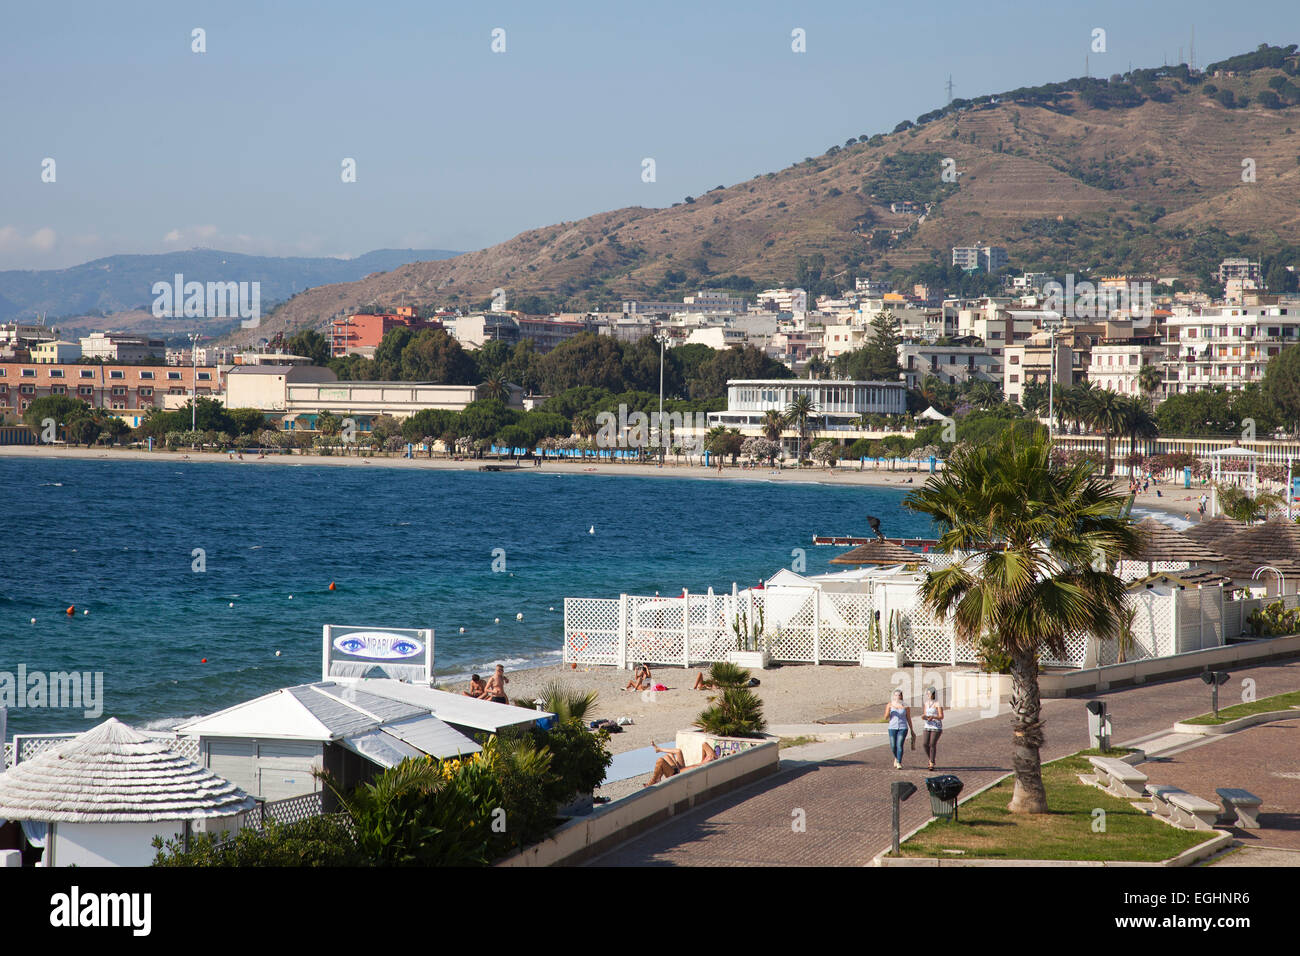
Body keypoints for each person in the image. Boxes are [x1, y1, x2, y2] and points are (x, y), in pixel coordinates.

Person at [643, 741, 716, 786]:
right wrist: (708, 758)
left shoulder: (707, 765)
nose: (710, 757)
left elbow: (712, 757)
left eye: (711, 758)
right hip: (680, 769)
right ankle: (658, 750)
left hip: (676, 775)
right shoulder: (704, 761)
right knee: (673, 754)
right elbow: (704, 744)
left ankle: (652, 782)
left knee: (660, 761)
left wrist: (711, 759)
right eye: (710, 756)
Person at [882, 689, 915, 769]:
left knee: (899, 745)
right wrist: (890, 712)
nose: (897, 697)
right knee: (893, 746)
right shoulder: (890, 705)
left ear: (901, 696)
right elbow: (885, 717)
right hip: (892, 727)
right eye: (896, 695)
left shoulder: (905, 706)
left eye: (899, 695)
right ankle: (896, 757)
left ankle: (899, 762)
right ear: (893, 696)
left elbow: (908, 718)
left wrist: (912, 729)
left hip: (903, 727)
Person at [922, 687, 944, 771]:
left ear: (934, 694)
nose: (928, 695)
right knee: (924, 744)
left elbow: (941, 716)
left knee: (932, 744)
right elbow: (925, 714)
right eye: (927, 693)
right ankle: (931, 758)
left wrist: (933, 717)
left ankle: (931, 762)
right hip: (927, 725)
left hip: (936, 726)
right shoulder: (926, 703)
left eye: (929, 693)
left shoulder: (938, 703)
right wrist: (924, 717)